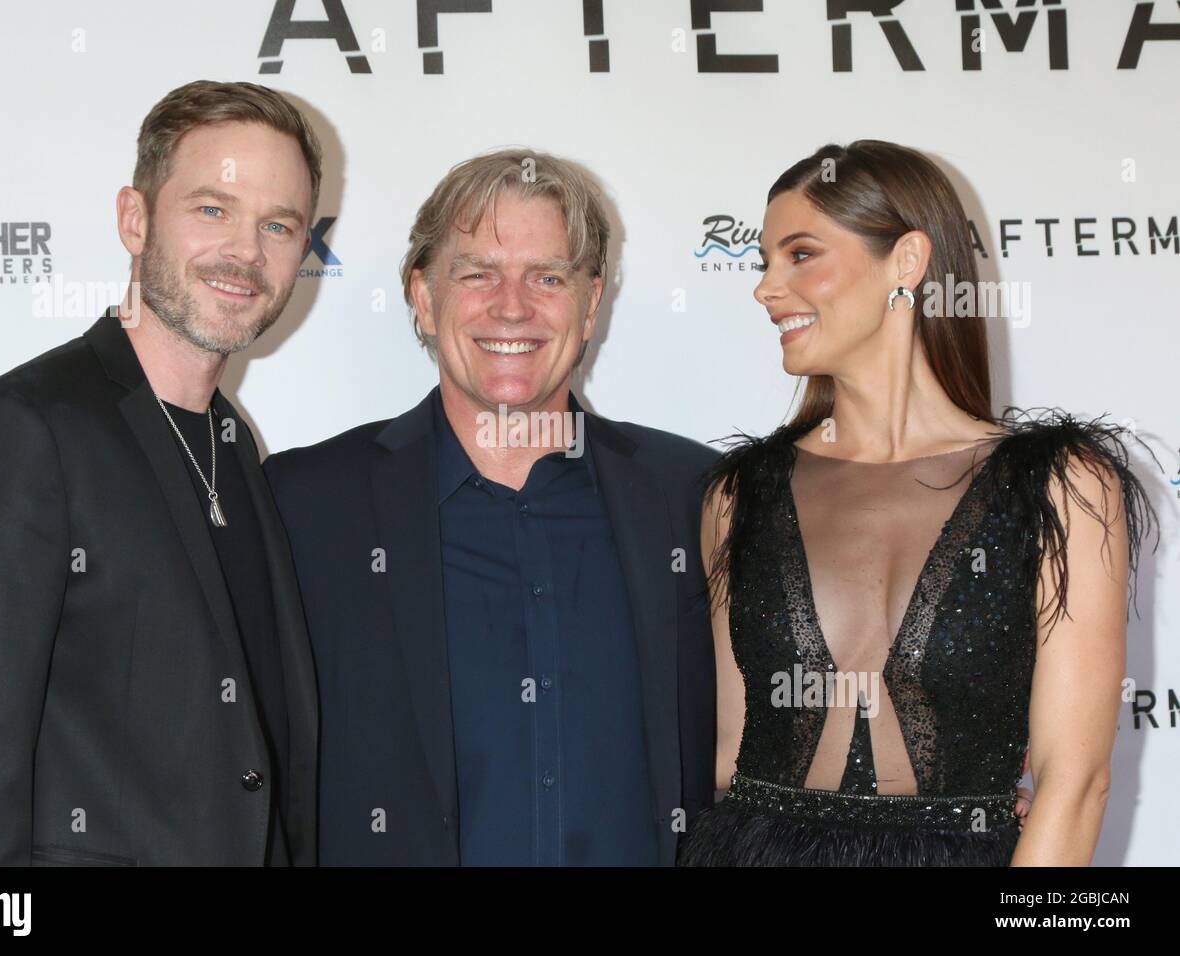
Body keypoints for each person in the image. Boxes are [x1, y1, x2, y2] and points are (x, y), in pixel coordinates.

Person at [679, 140, 1158, 867]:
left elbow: (1077, 781)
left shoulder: (1062, 486)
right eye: (763, 262)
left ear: (906, 262)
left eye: (801, 254)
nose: (766, 288)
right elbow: (727, 756)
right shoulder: (739, 496)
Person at [0, 80, 323, 865]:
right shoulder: (20, 433)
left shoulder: (236, 447)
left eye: (279, 224)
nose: (246, 252)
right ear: (135, 217)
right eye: (212, 209)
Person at [265, 149, 717, 865]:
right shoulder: (307, 506)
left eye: (548, 277)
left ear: (592, 301)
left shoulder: (696, 496)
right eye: (477, 273)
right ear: (422, 295)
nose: (513, 307)